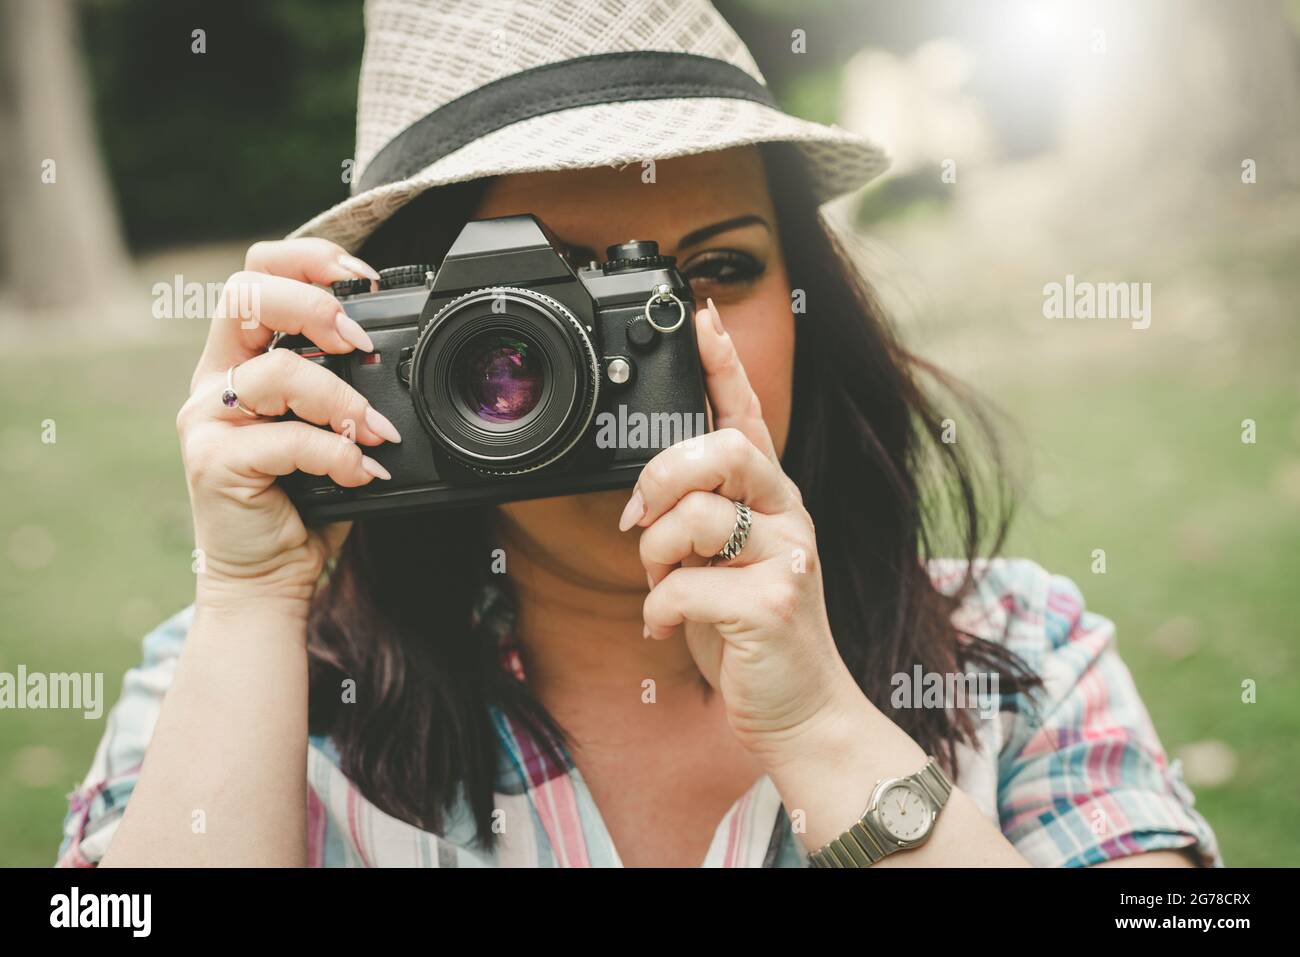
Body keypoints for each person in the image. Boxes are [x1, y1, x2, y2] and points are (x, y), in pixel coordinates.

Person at [58, 0, 1218, 868]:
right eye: (540, 313)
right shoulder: (233, 678)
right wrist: (250, 598)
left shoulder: (1021, 649)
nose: (643, 351)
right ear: (386, 340)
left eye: (715, 270)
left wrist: (824, 731)